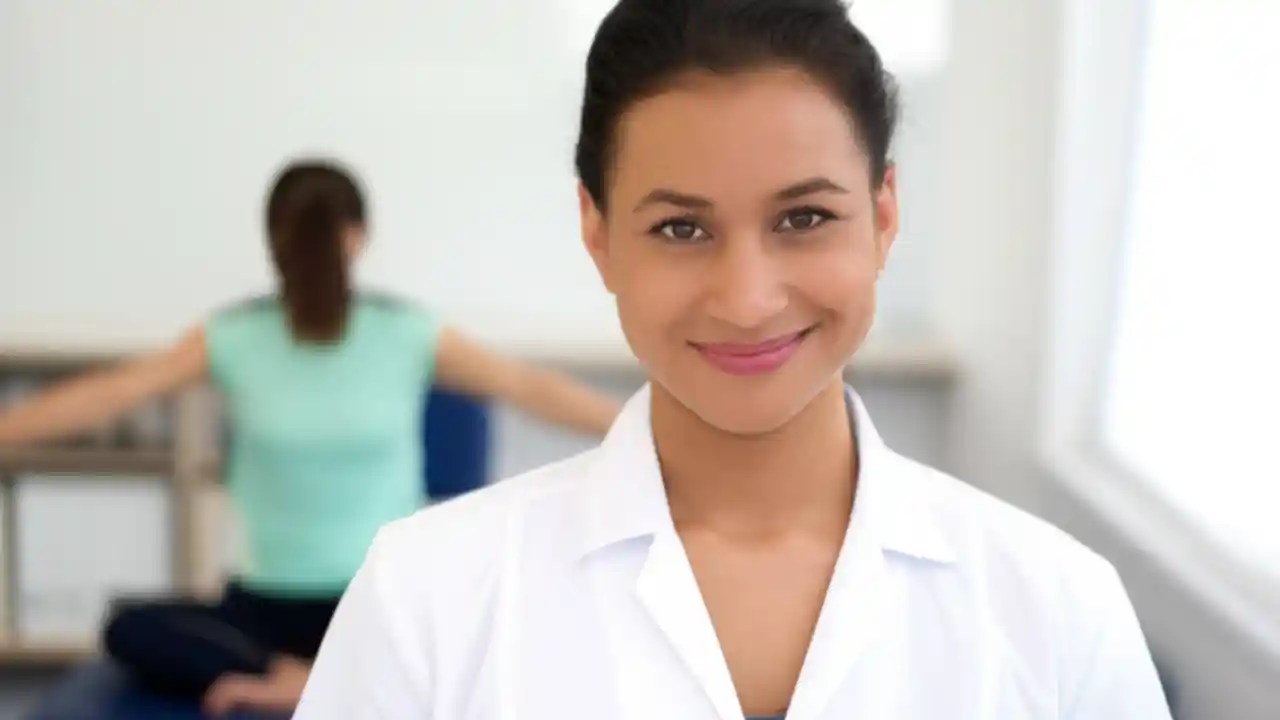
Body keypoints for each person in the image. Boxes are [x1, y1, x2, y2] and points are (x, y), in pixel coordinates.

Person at [294, 1, 1173, 718]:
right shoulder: (426, 599)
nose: (748, 299)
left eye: (804, 218)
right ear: (597, 234)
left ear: (885, 213)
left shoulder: (1059, 608)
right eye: (681, 228)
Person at [0, 159, 620, 716]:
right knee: (130, 627)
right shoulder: (236, 337)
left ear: (275, 242)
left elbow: (531, 387)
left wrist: (648, 425)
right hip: (262, 615)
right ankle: (305, 677)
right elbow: (113, 392)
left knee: (504, 634)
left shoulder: (406, 333)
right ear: (359, 237)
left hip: (384, 605)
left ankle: (307, 675)